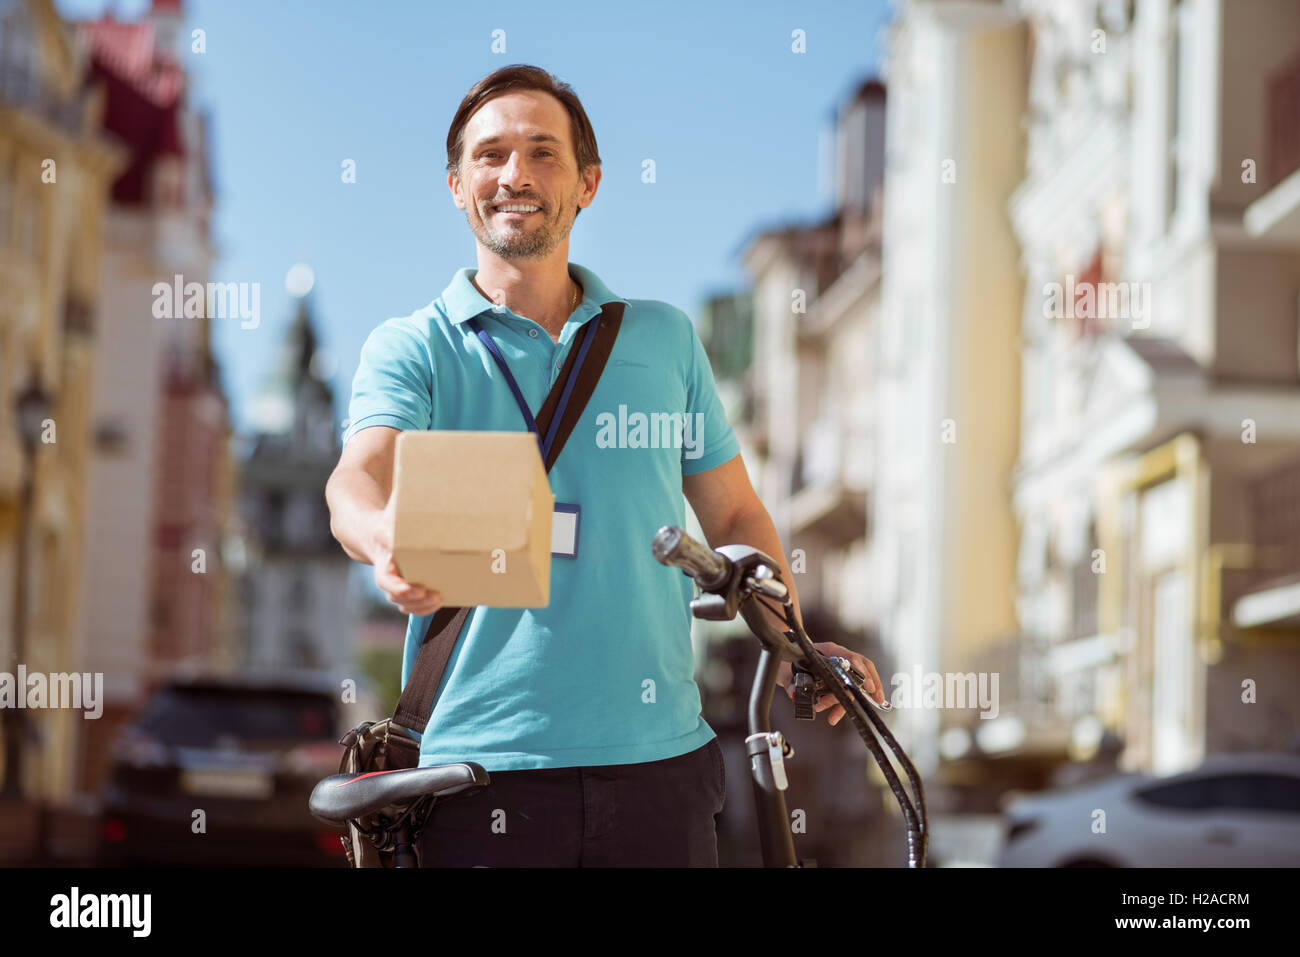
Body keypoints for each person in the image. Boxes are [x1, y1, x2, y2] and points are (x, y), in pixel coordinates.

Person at [325, 63, 885, 867]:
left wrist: (797, 643)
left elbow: (733, 518)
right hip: (479, 775)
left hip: (661, 772)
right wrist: (383, 541)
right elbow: (356, 480)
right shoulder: (417, 346)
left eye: (542, 152)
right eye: (489, 156)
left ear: (587, 183)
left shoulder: (661, 340)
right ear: (456, 184)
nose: (514, 173)